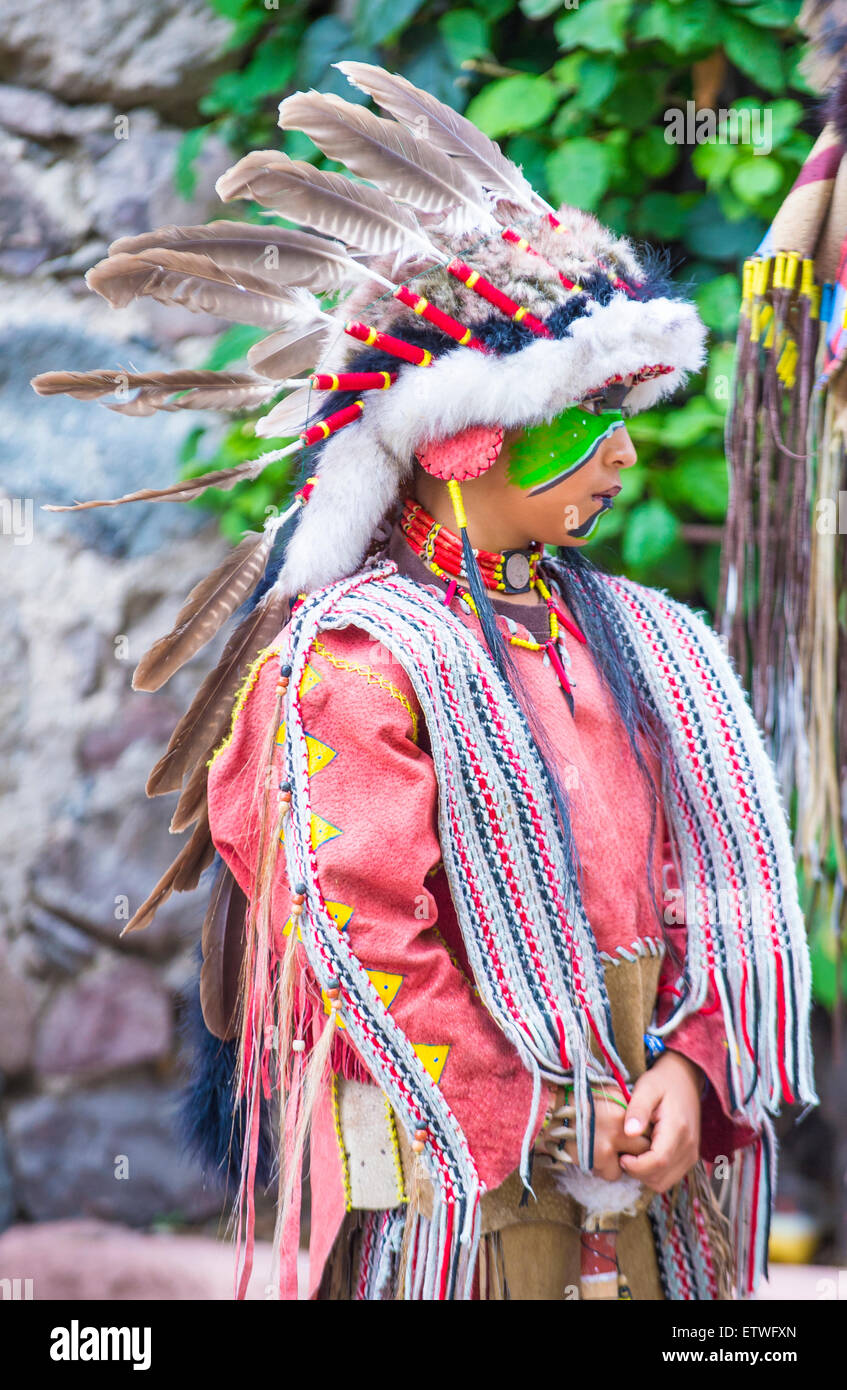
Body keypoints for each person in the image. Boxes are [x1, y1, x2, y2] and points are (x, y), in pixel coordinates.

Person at [31, 62, 816, 1301]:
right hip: (469, 1185)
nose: (619, 453)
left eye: (627, 414)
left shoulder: (647, 641)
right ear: (459, 440)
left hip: (654, 1161)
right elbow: (360, 925)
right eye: (580, 419)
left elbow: (710, 877)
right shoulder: (356, 659)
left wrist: (695, 1069)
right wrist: (535, 1107)